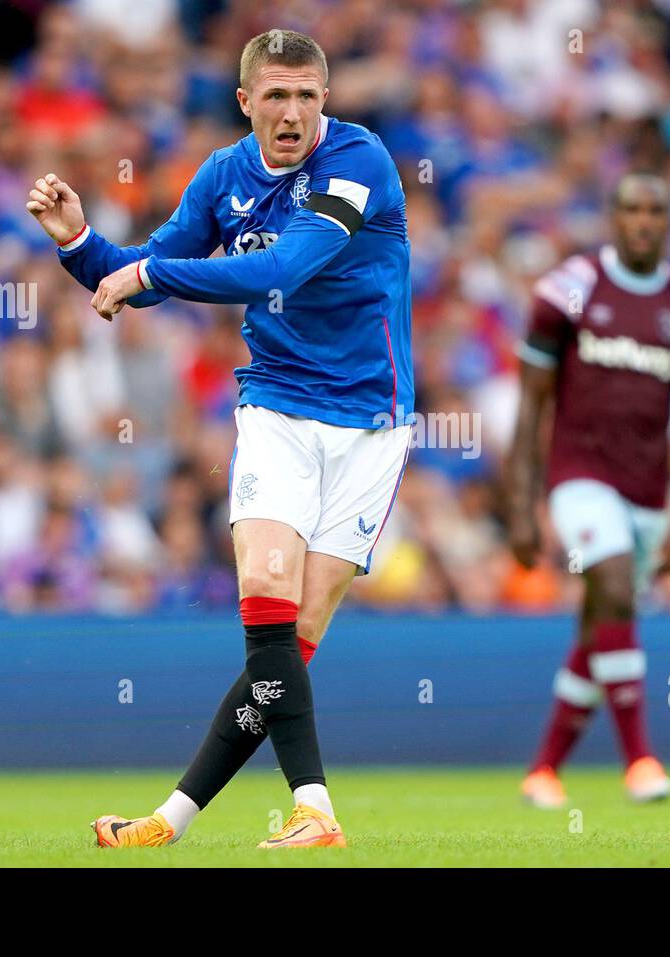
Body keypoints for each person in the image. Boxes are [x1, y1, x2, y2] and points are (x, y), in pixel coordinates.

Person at [26, 29, 413, 849]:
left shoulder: (361, 160)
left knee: (287, 654)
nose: (294, 112)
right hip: (276, 406)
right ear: (245, 103)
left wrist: (148, 274)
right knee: (266, 589)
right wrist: (78, 244)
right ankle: (316, 809)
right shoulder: (222, 177)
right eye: (276, 95)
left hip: (372, 426)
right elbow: (138, 274)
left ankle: (170, 820)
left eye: (309, 94)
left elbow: (280, 267)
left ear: (326, 99)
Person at [507, 173, 670, 807]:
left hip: (650, 492)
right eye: (630, 208)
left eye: (654, 210)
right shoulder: (567, 290)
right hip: (577, 476)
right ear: (613, 215)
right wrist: (520, 506)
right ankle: (642, 761)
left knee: (601, 626)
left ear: (669, 222)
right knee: (608, 582)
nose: (642, 220)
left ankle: (544, 770)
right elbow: (530, 407)